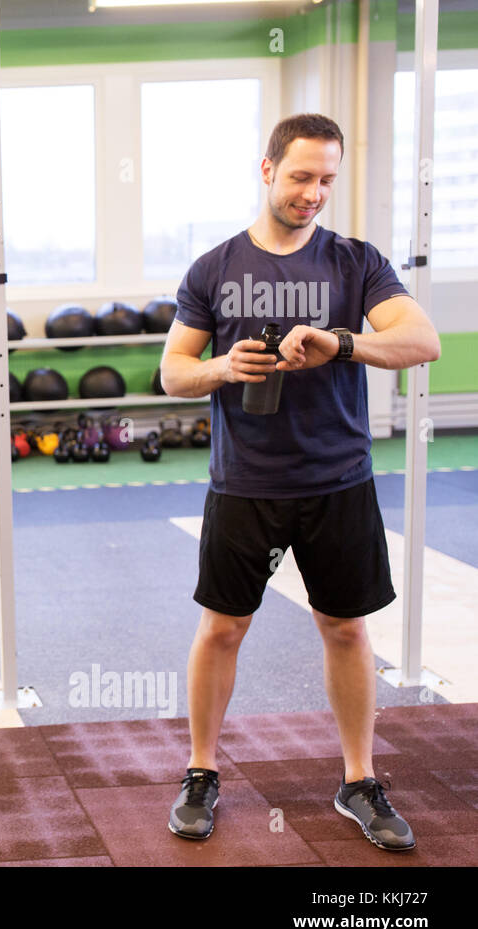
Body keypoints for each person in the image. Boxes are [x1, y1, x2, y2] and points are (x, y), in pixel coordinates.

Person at [159, 113, 441, 851]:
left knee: (345, 627)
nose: (313, 193)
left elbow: (421, 340)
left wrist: (341, 342)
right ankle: (200, 772)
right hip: (244, 483)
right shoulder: (214, 267)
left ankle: (358, 779)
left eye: (326, 180)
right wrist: (225, 367)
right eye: (300, 177)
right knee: (223, 629)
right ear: (266, 170)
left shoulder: (357, 263)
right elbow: (174, 371)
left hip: (338, 478)